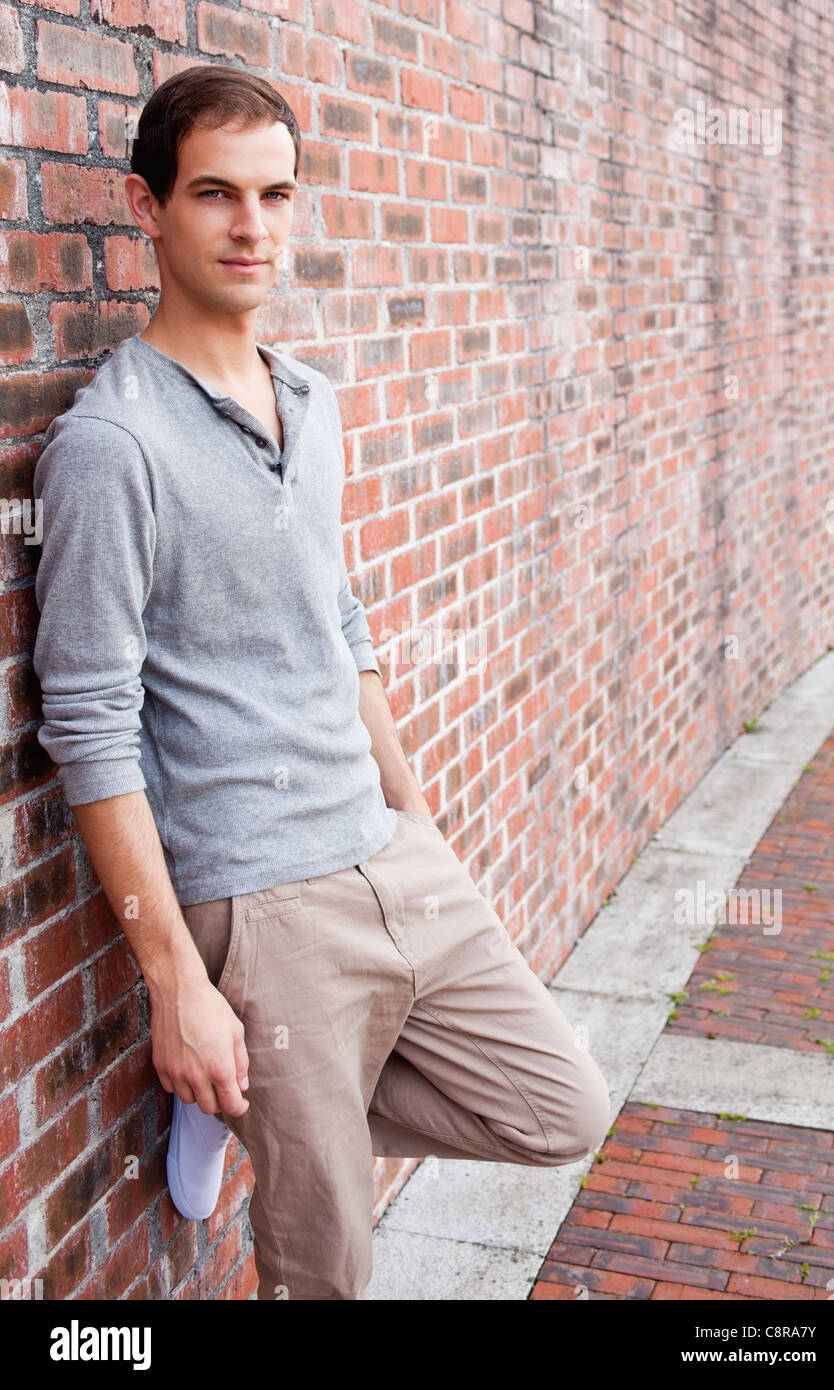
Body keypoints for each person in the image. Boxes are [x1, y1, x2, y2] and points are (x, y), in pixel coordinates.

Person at [31, 64, 610, 1300]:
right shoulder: (110, 447)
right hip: (261, 901)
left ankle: (273, 1103)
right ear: (147, 208)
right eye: (215, 195)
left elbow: (336, 620)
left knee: (559, 1107)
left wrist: (416, 819)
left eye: (276, 195)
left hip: (389, 854)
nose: (253, 228)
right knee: (326, 1269)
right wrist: (180, 985)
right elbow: (89, 727)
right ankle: (247, 1077)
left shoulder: (314, 399)